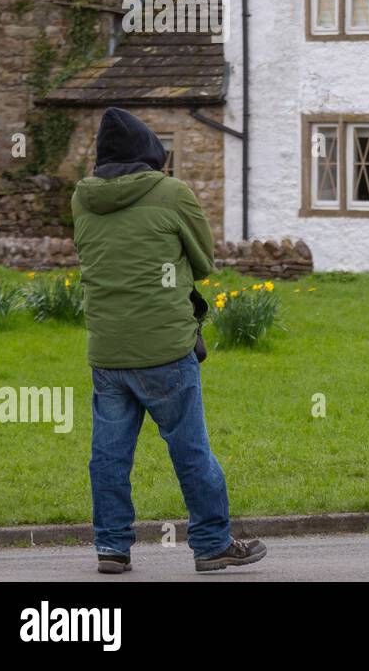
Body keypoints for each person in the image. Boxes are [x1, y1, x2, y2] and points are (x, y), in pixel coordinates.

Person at [73, 107, 267, 572]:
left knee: (109, 455)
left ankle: (112, 547)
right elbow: (203, 260)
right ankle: (212, 544)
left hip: (107, 350)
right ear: (151, 155)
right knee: (189, 447)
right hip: (165, 349)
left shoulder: (82, 199)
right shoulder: (172, 192)